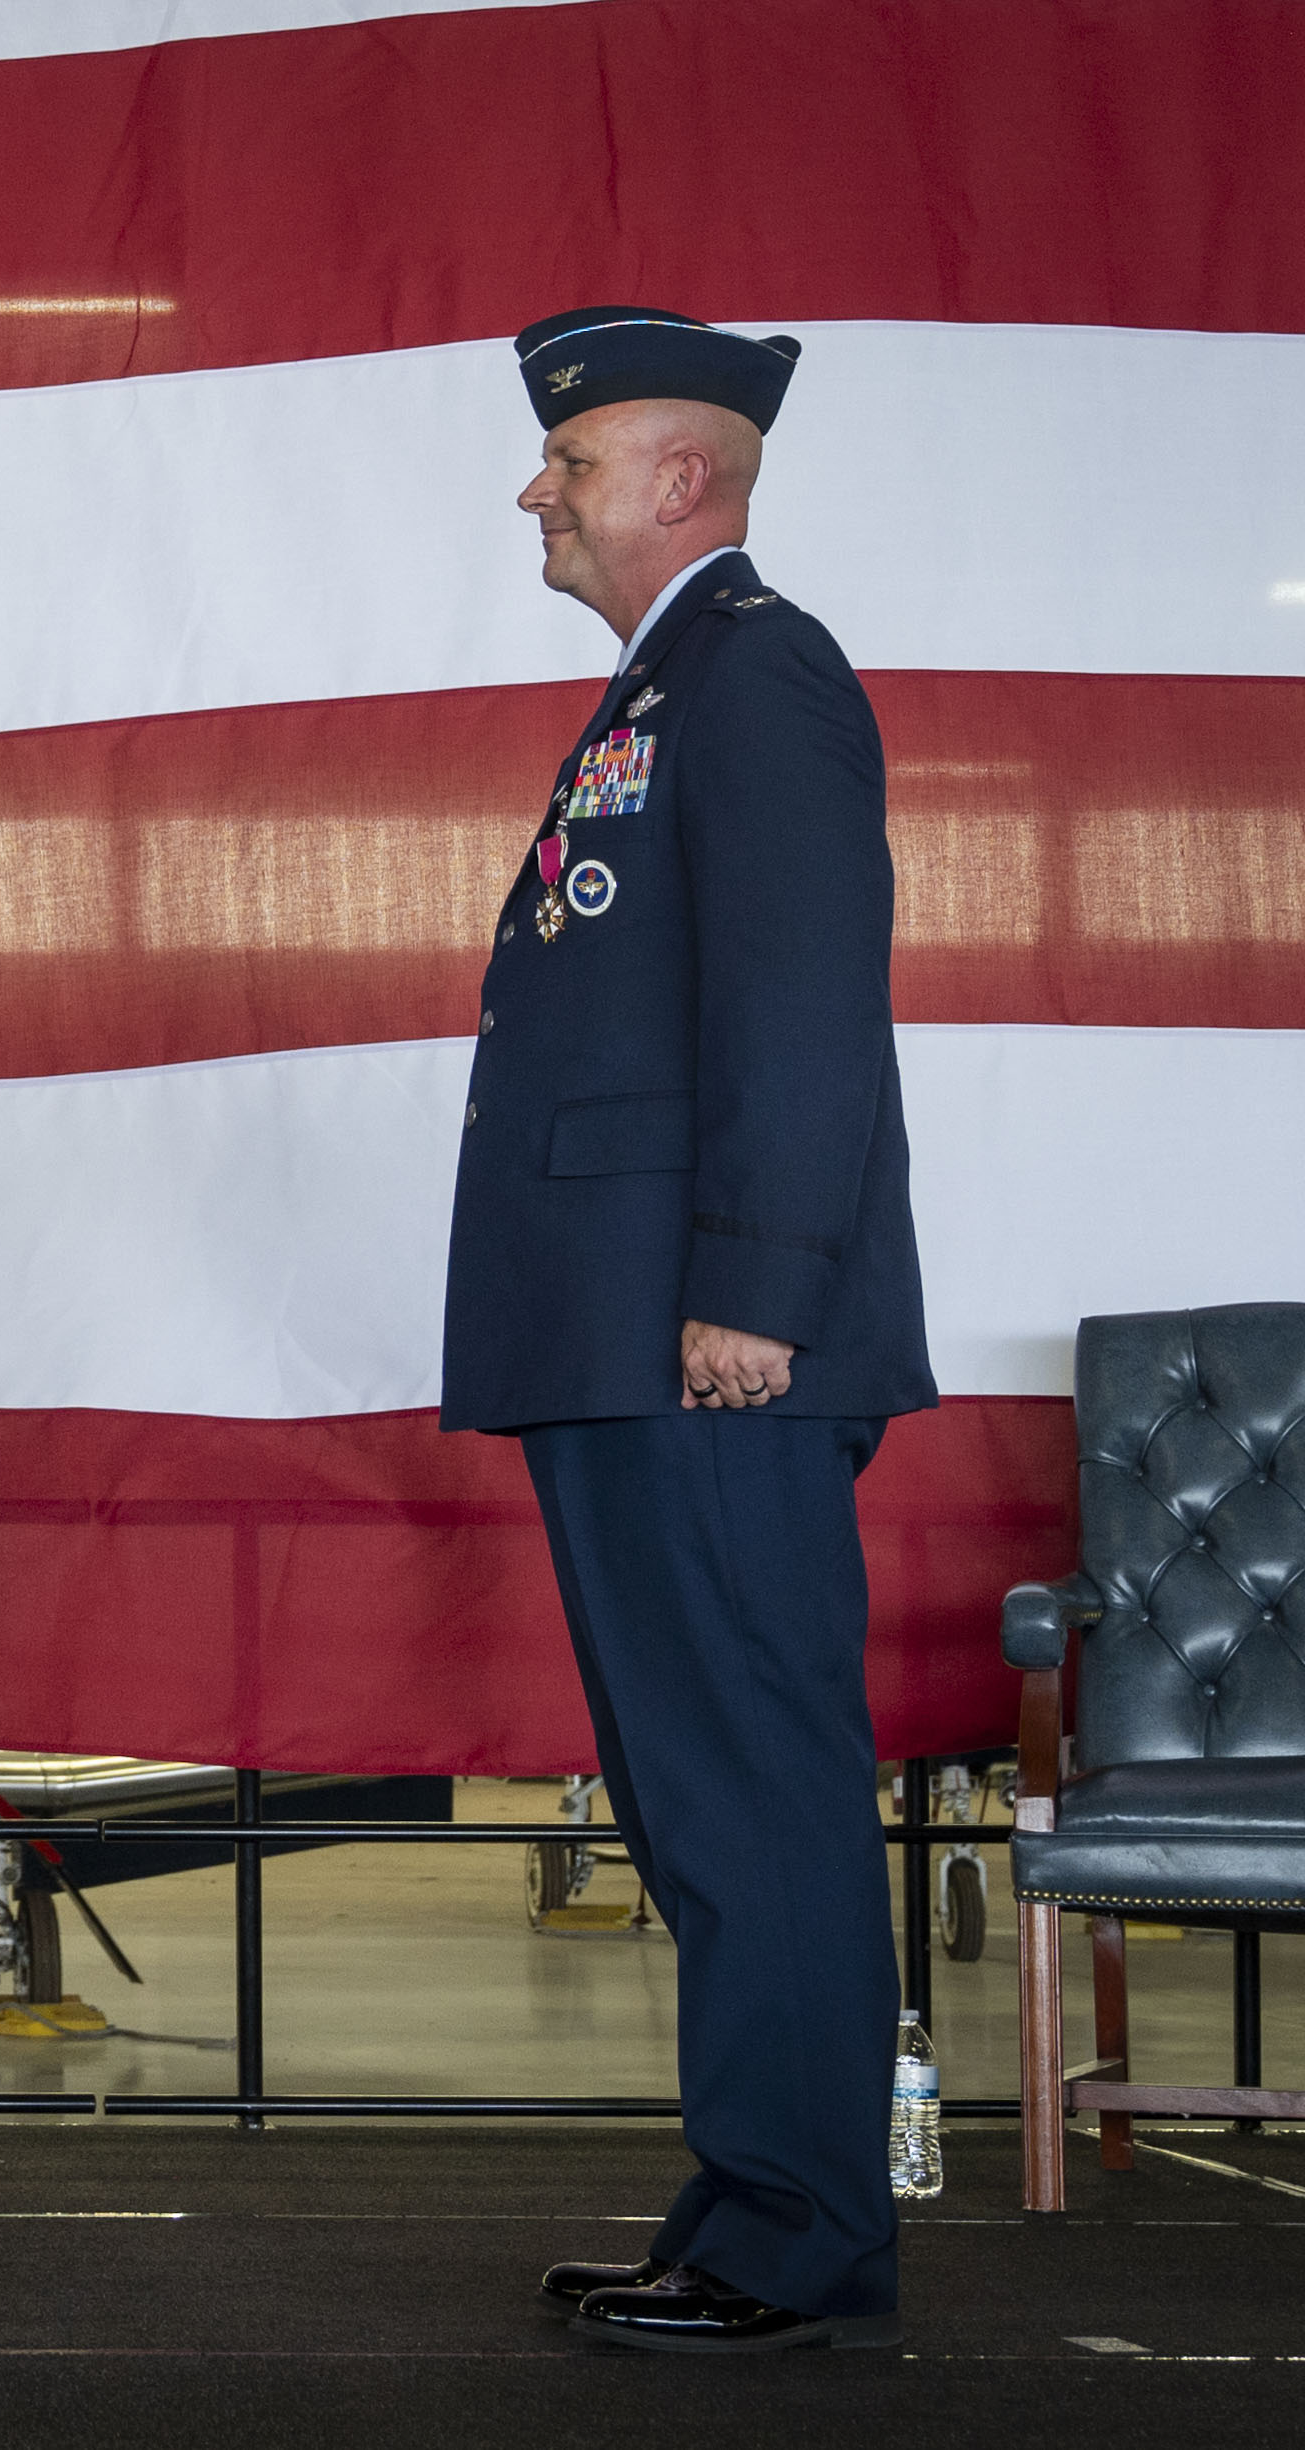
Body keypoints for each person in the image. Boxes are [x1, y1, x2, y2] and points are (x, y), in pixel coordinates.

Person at [447, 305, 936, 2353]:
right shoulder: (669, 688)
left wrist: (747, 1284)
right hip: (626, 1340)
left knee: (749, 1784)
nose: (532, 487)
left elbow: (802, 1004)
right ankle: (755, 2195)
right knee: (694, 1795)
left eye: (568, 458)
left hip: (706, 1342)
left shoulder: (759, 674)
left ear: (678, 477)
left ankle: (800, 2233)